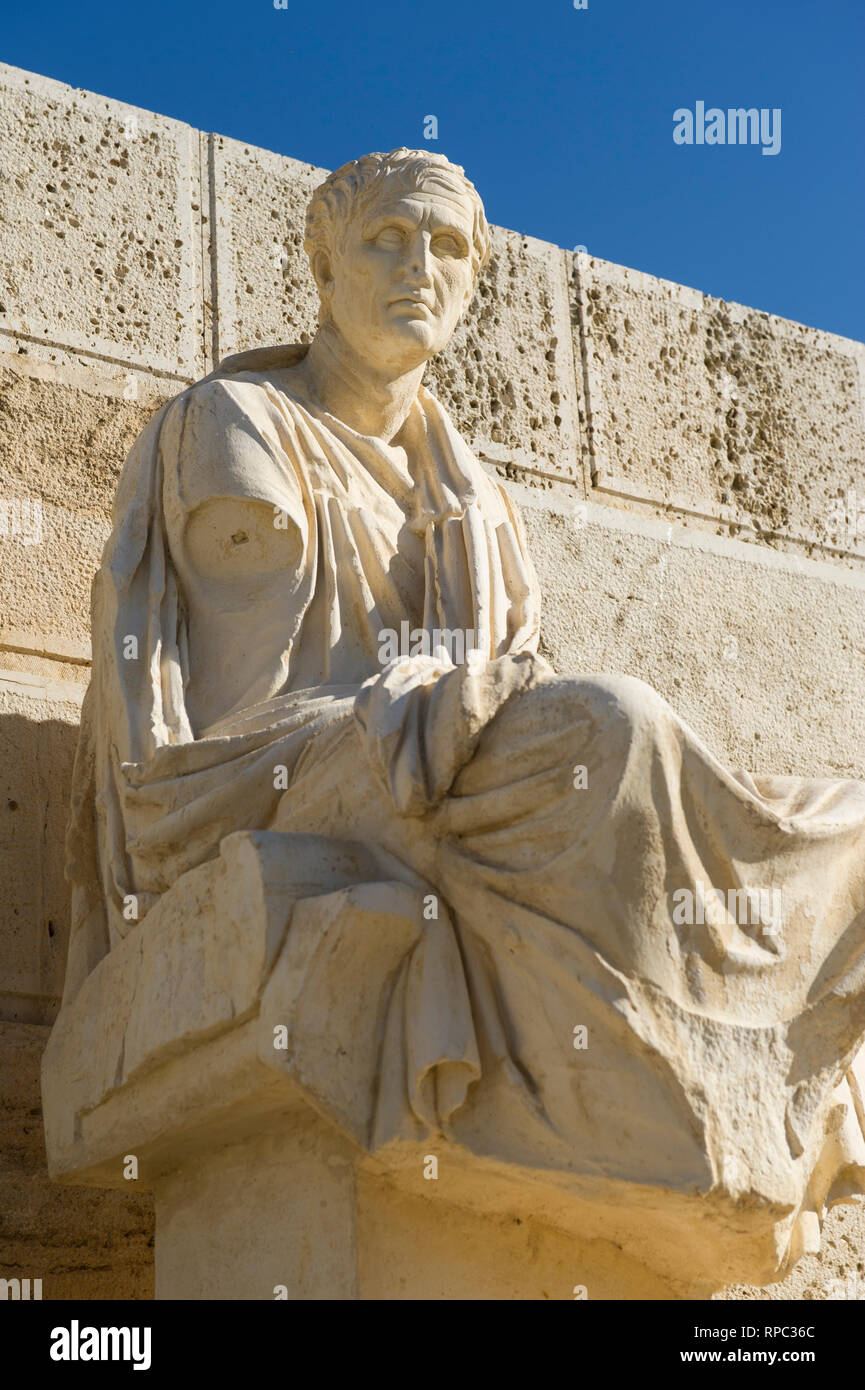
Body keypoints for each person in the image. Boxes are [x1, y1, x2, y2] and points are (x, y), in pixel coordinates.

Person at [63, 149, 865, 1268]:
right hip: (267, 784)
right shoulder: (237, 424)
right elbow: (230, 741)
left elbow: (510, 683)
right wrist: (430, 702)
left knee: (841, 823)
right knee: (614, 731)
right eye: (388, 238)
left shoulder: (472, 490)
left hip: (435, 749)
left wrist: (460, 705)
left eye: (448, 248)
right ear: (324, 263)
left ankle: (708, 1066)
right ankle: (651, 1068)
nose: (419, 268)